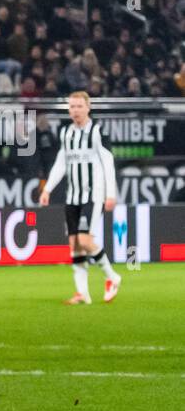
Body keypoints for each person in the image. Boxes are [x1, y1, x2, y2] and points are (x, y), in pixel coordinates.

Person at [39, 91, 120, 304]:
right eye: (71, 106)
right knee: (74, 244)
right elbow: (60, 163)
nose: (74, 110)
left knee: (85, 240)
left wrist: (110, 194)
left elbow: (108, 162)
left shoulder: (97, 132)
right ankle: (82, 293)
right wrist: (47, 189)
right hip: (72, 196)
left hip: (92, 196)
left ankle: (112, 277)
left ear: (88, 107)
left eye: (78, 106)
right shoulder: (67, 133)